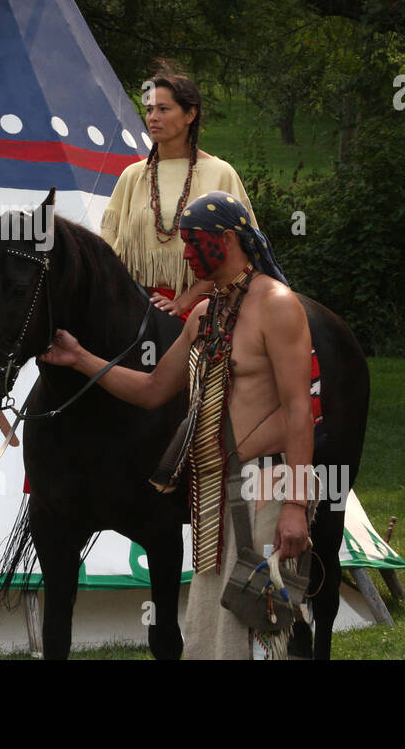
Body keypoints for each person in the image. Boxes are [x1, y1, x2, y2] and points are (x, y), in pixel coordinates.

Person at [40, 192, 314, 659]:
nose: (185, 254)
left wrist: (297, 504)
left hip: (269, 484)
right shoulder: (206, 316)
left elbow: (299, 410)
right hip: (214, 495)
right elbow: (151, 389)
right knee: (211, 630)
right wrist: (81, 359)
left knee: (274, 627)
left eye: (194, 242)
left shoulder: (278, 305)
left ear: (226, 240)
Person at [100, 63, 258, 318]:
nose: (152, 117)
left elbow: (239, 252)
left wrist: (185, 301)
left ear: (189, 115)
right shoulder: (132, 176)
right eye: (149, 109)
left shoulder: (220, 173)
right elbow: (108, 247)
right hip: (135, 306)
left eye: (163, 109)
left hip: (207, 306)